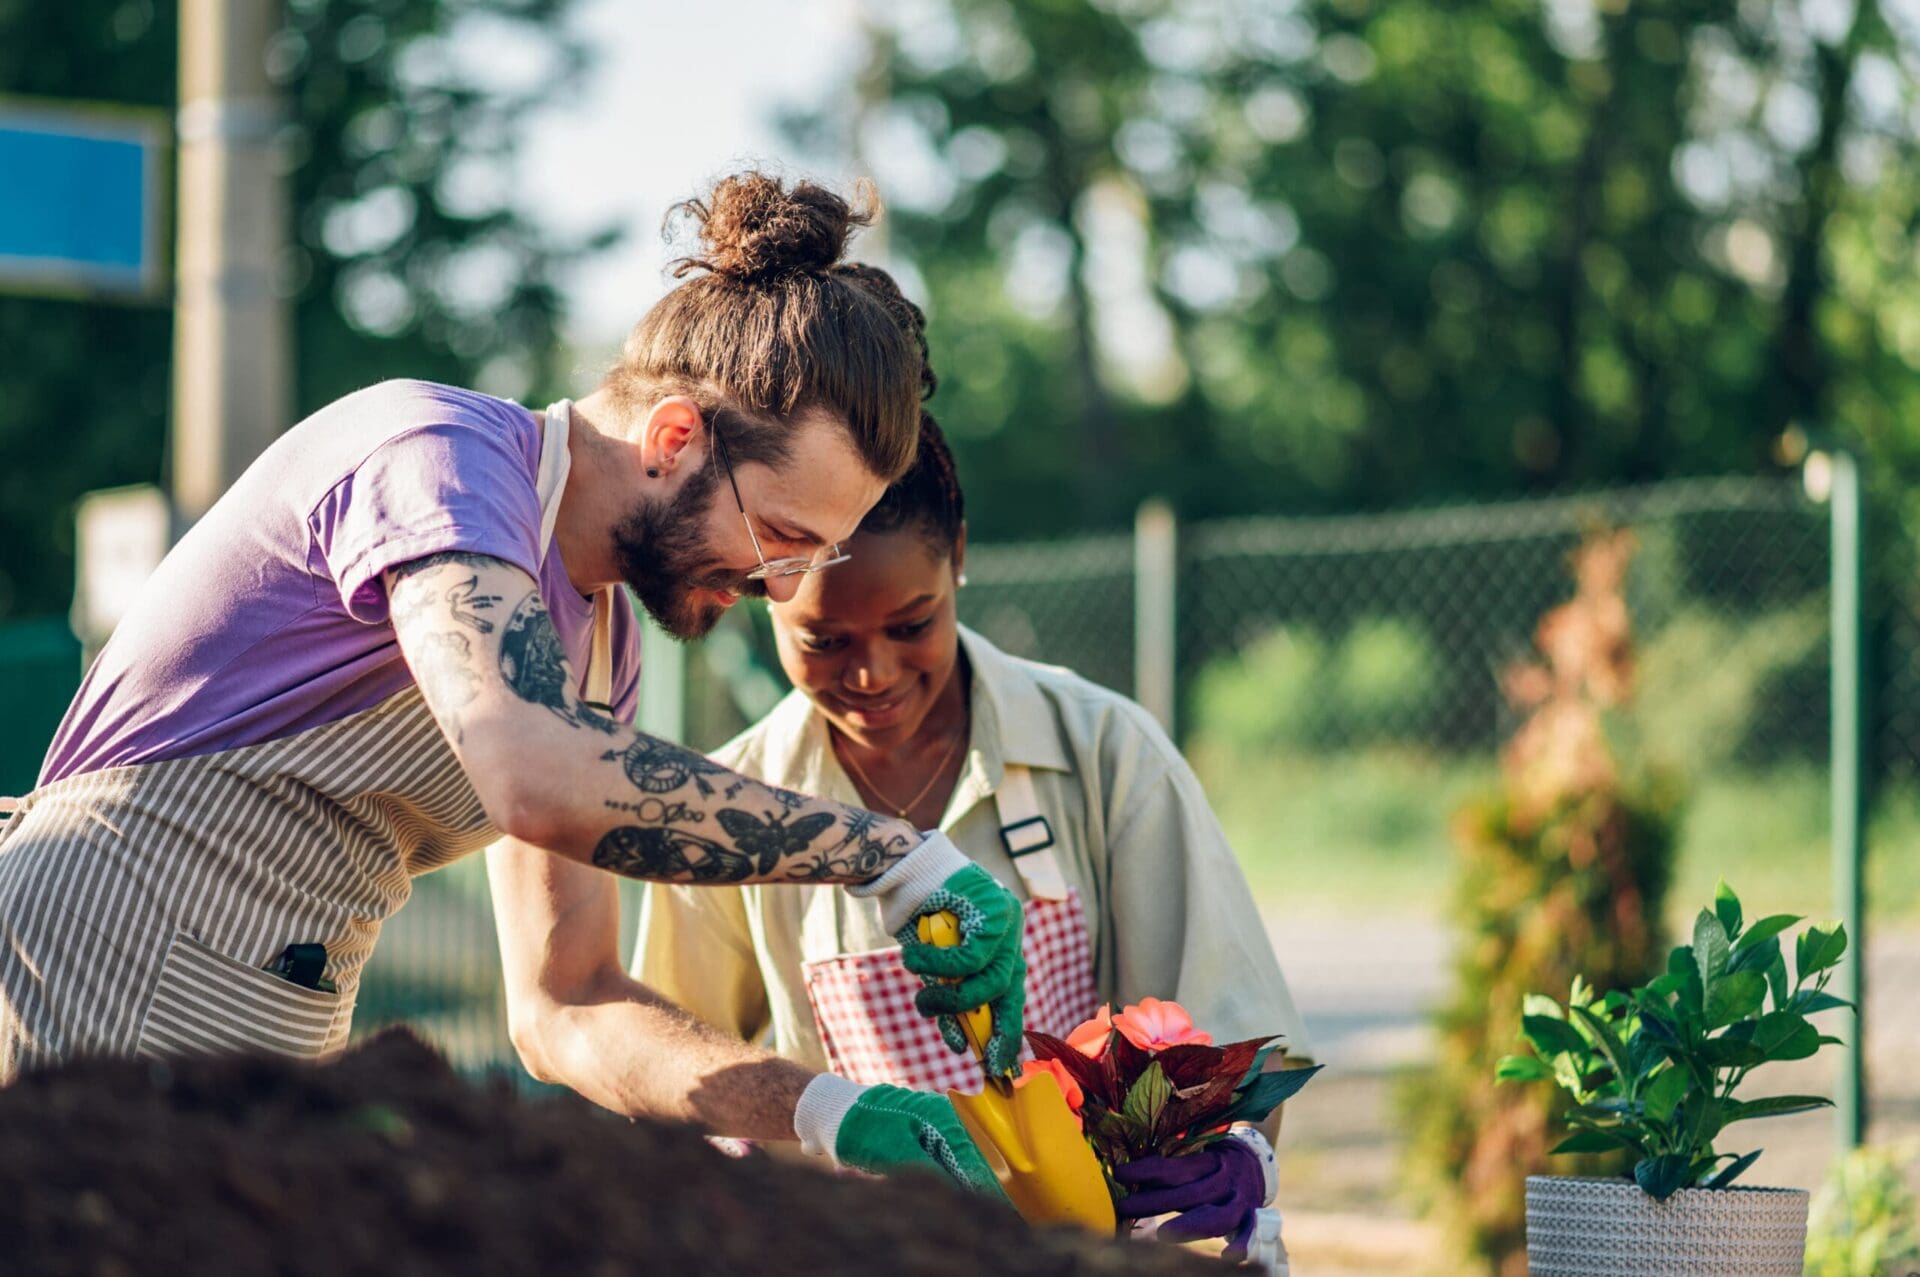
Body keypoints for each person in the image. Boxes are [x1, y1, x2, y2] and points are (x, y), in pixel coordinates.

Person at [0, 173, 1023, 1195]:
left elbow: (566, 1004)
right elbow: (529, 764)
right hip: (100, 965)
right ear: (674, 440)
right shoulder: (440, 457)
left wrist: (827, 1110)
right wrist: (890, 856)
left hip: (271, 1049)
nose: (783, 589)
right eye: (783, 538)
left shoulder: (599, 650)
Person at [499, 413, 1314, 1257]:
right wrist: (778, 1136)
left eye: (912, 624)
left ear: (957, 555)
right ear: (764, 592)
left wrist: (1237, 1151)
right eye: (824, 639)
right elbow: (676, 1073)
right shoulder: (732, 806)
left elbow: (1232, 1022)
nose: (873, 674)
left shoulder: (1103, 750)